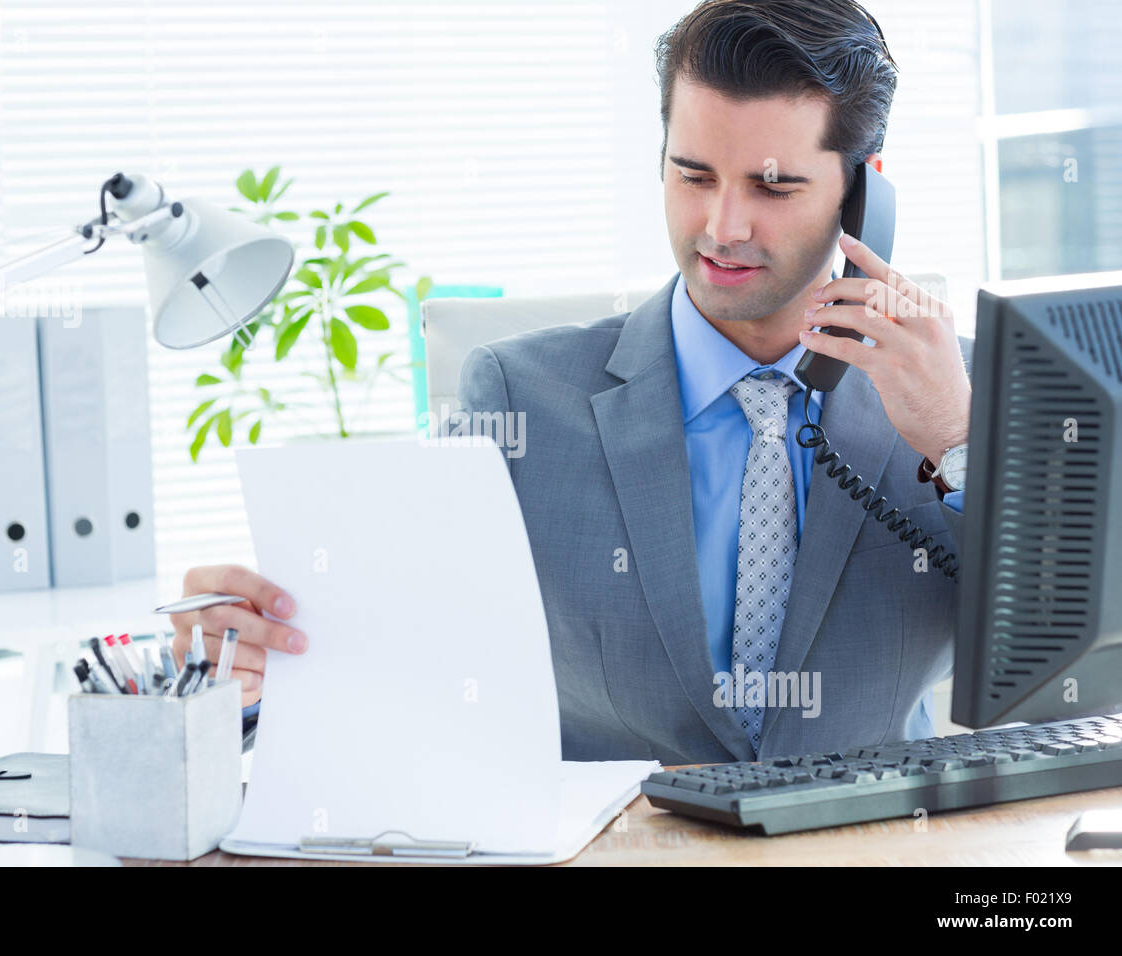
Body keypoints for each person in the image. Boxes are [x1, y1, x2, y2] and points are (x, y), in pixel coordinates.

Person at [171, 0, 975, 764]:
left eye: (772, 187)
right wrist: (247, 680)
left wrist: (955, 439)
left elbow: (1058, 657)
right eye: (693, 175)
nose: (723, 228)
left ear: (865, 193)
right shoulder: (520, 401)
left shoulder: (952, 395)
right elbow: (414, 659)